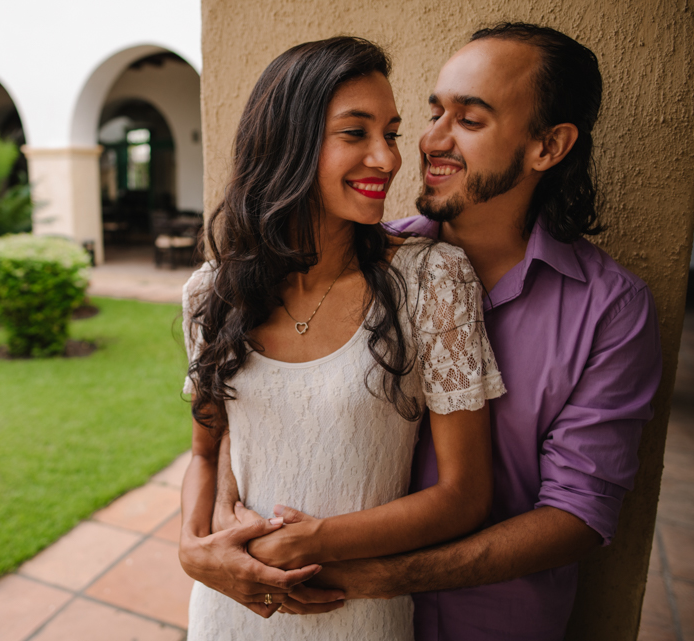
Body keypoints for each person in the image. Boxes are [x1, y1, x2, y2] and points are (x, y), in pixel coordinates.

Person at [198, 22, 663, 641]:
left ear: (548, 147)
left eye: (469, 121)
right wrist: (210, 532)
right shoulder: (366, 260)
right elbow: (257, 406)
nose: (426, 142)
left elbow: (578, 514)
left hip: (486, 622)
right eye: (434, 112)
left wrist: (369, 576)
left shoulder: (611, 309)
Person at [179, 36, 507, 640]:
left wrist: (317, 540)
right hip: (231, 613)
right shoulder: (212, 294)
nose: (387, 159)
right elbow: (206, 450)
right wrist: (192, 547)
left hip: (357, 616)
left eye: (392, 133)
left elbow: (466, 495)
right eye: (356, 134)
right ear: (288, 144)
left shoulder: (431, 281)